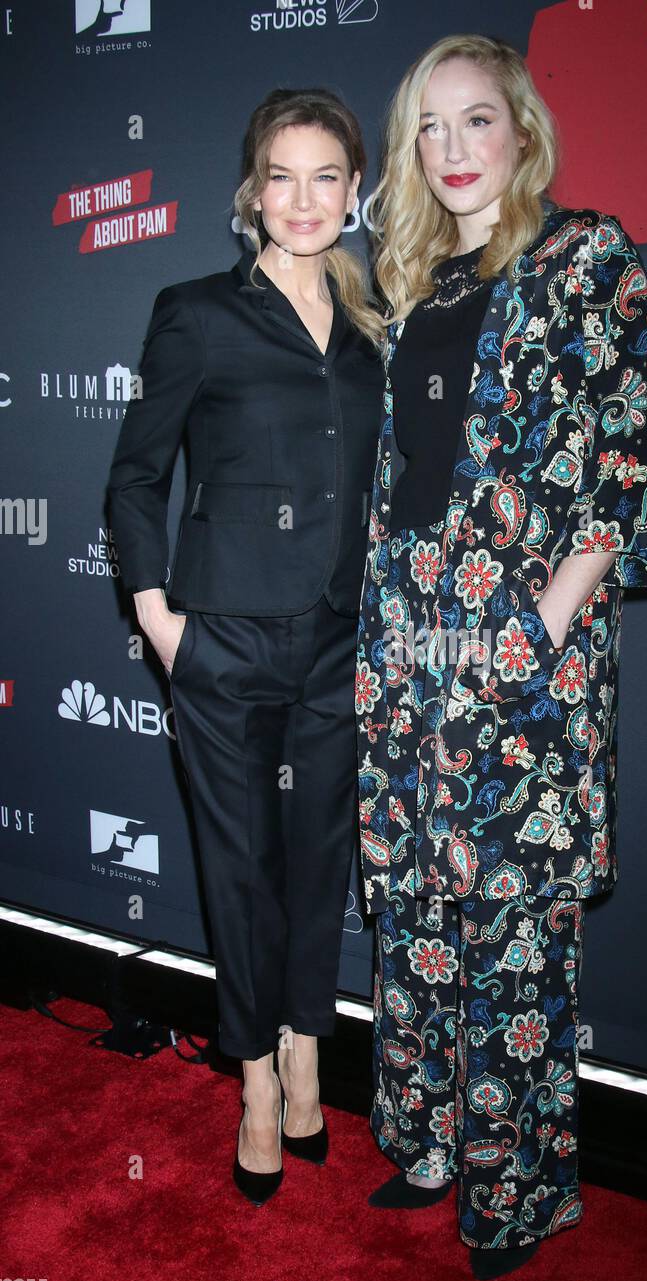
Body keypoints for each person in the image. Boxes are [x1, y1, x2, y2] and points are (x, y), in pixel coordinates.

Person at [355, 34, 647, 1279]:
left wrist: (546, 619)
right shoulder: (405, 282)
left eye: (474, 121)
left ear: (521, 130)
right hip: (405, 649)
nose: (451, 150)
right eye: (427, 130)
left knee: (507, 926)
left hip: (521, 653)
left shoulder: (584, 256)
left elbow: (631, 453)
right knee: (411, 911)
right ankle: (431, 1143)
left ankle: (520, 1190)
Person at [107, 89, 385, 1207]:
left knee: (320, 860)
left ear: (354, 192)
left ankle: (309, 1044)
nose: (304, 198)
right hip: (220, 636)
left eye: (327, 176)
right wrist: (161, 618)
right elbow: (135, 475)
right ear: (249, 192)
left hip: (336, 639)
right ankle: (257, 1081)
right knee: (240, 868)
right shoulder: (196, 312)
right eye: (283, 175)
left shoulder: (376, 328)